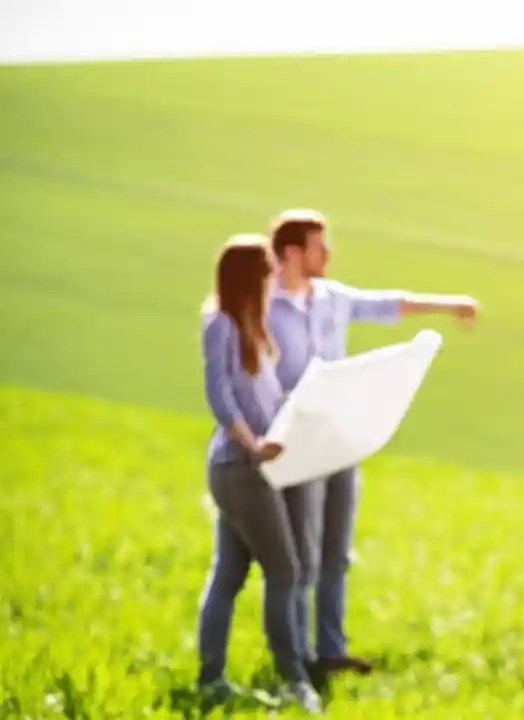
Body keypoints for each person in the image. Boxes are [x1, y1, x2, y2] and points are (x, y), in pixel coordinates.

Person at [267, 208, 479, 679]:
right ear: (293, 252)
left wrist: (450, 304)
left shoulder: (334, 299)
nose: (329, 253)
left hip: (340, 439)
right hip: (296, 443)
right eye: (320, 246)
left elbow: (390, 304)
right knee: (301, 554)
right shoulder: (264, 306)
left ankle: (330, 650)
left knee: (336, 553)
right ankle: (296, 656)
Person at [195, 233, 324, 714]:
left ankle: (211, 679)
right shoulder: (221, 324)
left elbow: (265, 400)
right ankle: (295, 681)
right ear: (251, 277)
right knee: (284, 571)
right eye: (268, 271)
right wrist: (253, 446)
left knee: (229, 574)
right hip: (239, 467)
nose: (274, 279)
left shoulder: (254, 331)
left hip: (248, 467)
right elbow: (219, 395)